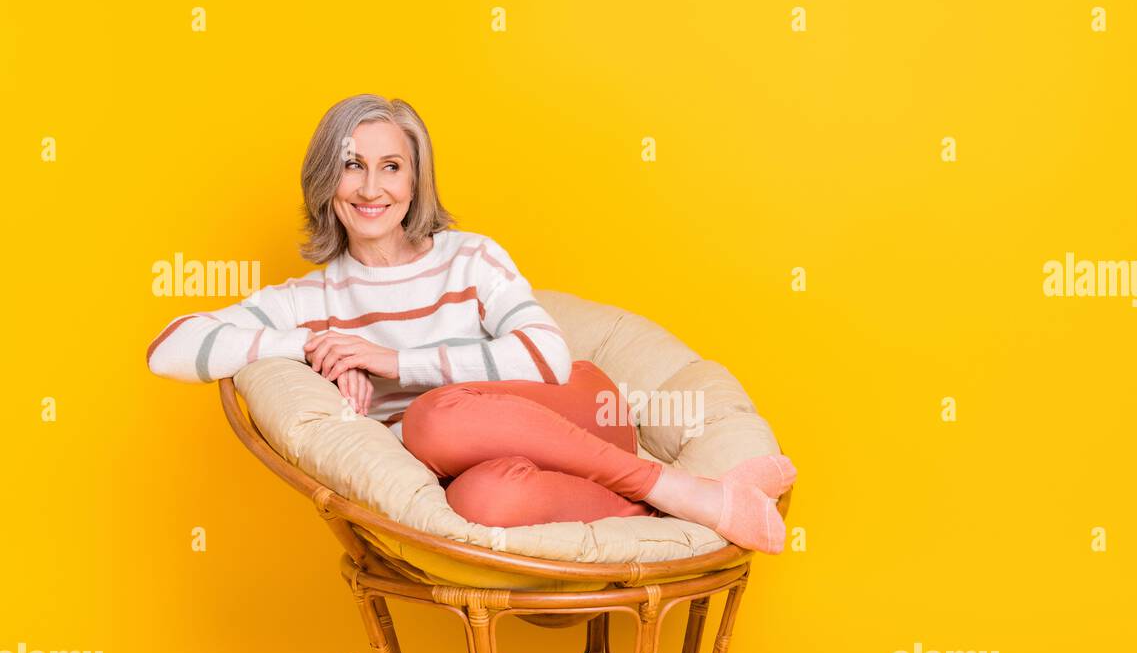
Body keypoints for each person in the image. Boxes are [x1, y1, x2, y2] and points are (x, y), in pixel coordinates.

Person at [145, 94, 795, 553]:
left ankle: (670, 482)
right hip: (502, 473)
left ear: (415, 178)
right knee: (481, 507)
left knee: (434, 416)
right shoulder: (311, 300)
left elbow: (544, 358)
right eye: (352, 164)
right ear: (325, 179)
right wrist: (309, 344)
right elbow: (170, 350)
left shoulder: (469, 257)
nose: (371, 186)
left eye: (391, 166)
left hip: (584, 414)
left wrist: (393, 361)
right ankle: (677, 503)